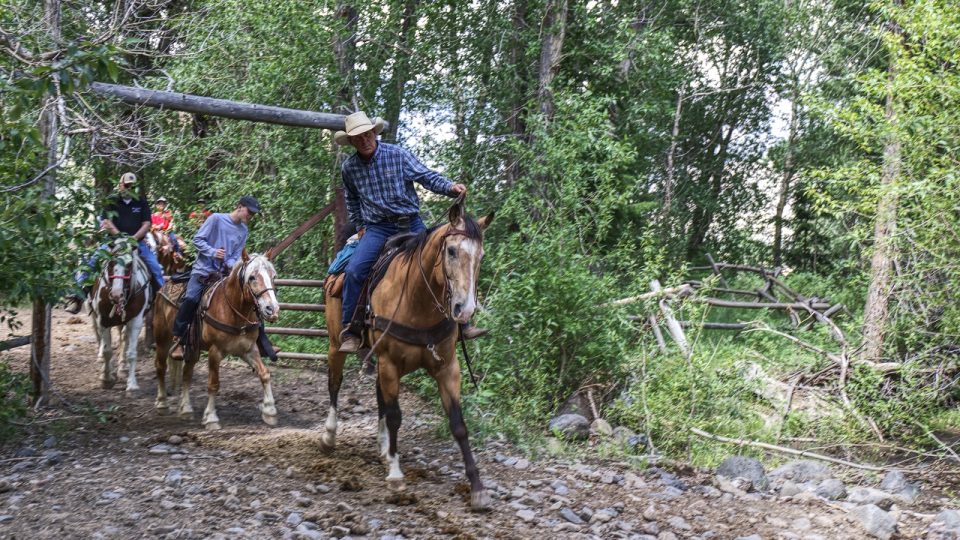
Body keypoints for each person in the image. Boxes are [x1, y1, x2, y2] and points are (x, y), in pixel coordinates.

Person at [333, 111, 488, 353]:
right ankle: (352, 330)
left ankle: (462, 324)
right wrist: (361, 226)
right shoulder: (349, 168)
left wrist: (450, 187)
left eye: (367, 134)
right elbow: (352, 200)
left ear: (374, 133)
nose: (364, 140)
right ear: (351, 141)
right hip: (377, 228)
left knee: (444, 261)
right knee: (354, 271)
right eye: (358, 137)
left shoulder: (397, 154)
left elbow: (425, 176)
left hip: (411, 223)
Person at [169, 195, 260, 360]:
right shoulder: (216, 219)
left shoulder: (244, 230)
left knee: (252, 297)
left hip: (224, 275)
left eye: (253, 214)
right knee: (191, 298)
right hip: (203, 271)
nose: (251, 216)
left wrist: (230, 263)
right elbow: (197, 240)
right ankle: (179, 338)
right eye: (250, 212)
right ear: (240, 206)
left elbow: (236, 254)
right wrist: (213, 252)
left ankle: (261, 343)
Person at [66, 172, 165, 313]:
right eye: (127, 185)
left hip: (137, 242)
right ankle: (77, 298)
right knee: (92, 262)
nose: (129, 189)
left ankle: (160, 301)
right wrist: (120, 237)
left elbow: (146, 223)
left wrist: (133, 238)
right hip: (112, 242)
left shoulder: (141, 201)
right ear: (120, 185)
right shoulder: (111, 201)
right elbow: (106, 222)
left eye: (132, 186)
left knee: (155, 267)